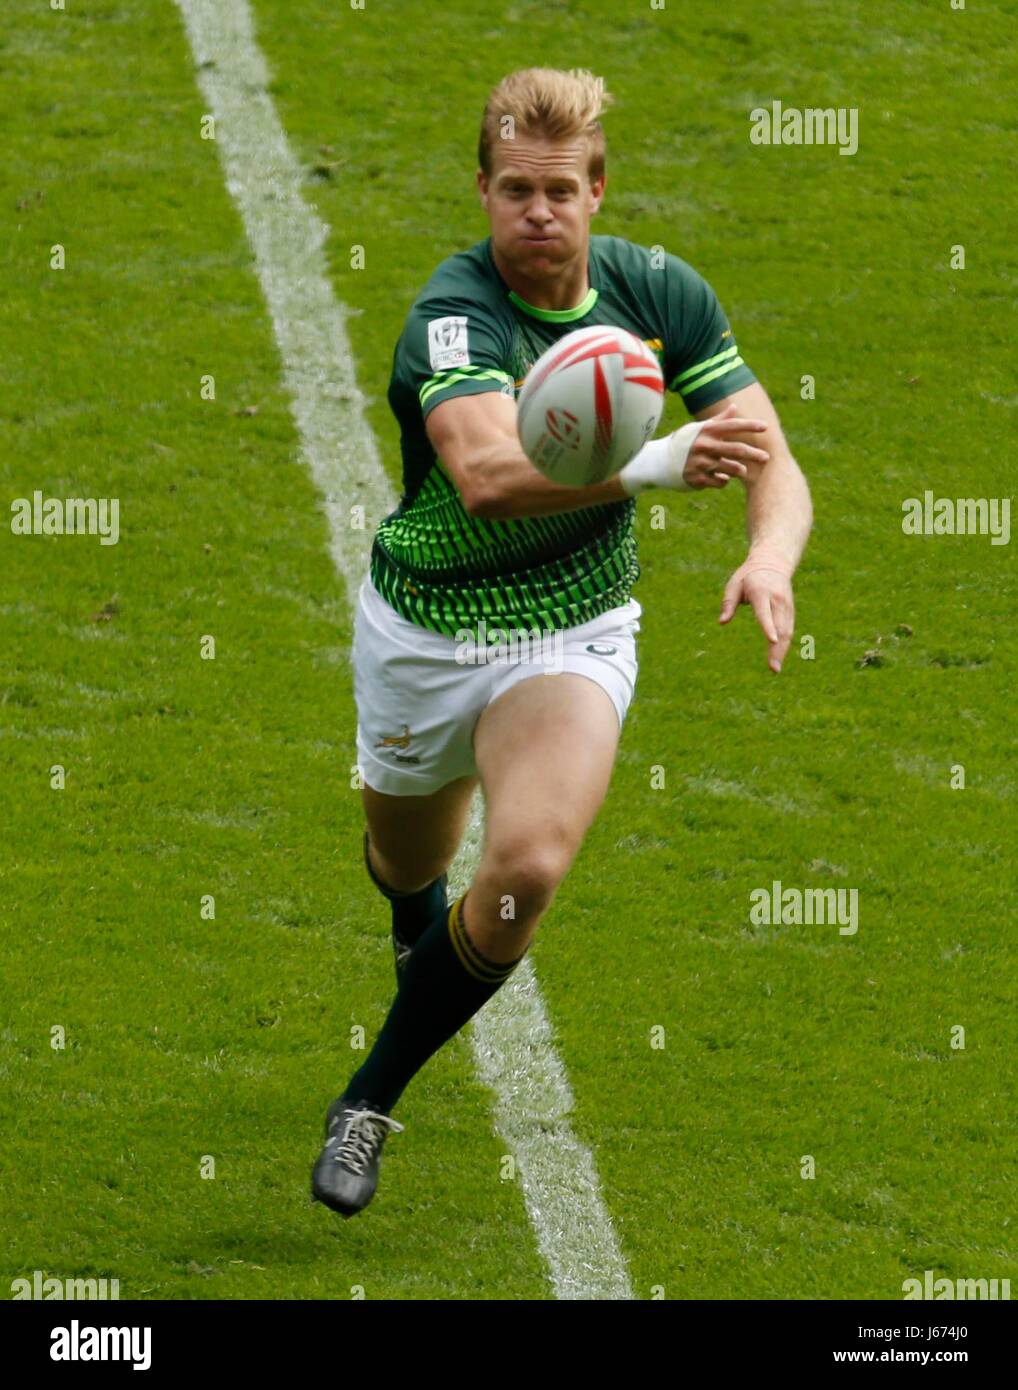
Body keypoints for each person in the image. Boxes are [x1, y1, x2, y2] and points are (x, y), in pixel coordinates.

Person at [311, 67, 813, 1217]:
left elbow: (767, 450)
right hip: (428, 632)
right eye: (514, 190)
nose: (537, 213)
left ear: (597, 192)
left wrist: (770, 553)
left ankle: (367, 1097)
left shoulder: (657, 293)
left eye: (560, 191)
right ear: (483, 192)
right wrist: (650, 463)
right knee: (405, 860)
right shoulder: (453, 311)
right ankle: (413, 940)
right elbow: (485, 477)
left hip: (568, 632)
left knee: (526, 868)